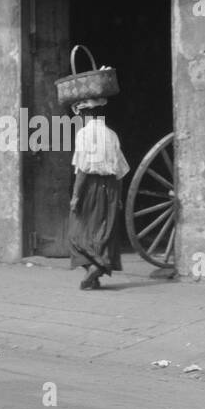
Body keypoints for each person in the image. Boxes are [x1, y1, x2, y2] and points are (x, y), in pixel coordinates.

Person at [68, 98, 129, 290]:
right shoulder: (112, 135)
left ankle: (93, 266)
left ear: (86, 115)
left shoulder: (83, 134)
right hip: (111, 187)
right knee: (103, 231)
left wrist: (76, 195)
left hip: (90, 186)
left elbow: (82, 168)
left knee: (77, 233)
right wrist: (118, 197)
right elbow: (120, 169)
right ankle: (94, 276)